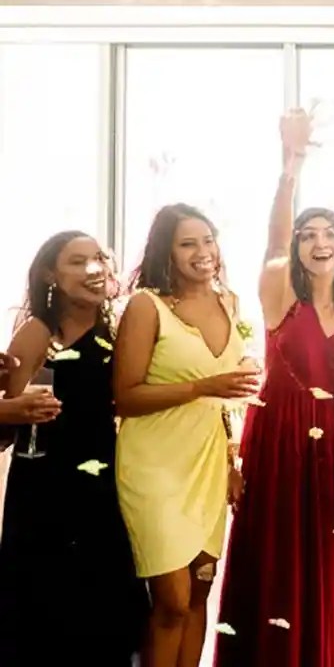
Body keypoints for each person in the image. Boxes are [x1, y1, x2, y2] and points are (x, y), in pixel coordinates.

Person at [214, 109, 334, 667]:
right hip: (275, 452)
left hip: (331, 459)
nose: (317, 241)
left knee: (327, 580)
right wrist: (292, 166)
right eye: (309, 234)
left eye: (329, 233)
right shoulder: (281, 298)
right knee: (269, 576)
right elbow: (275, 237)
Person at [114, 204, 257, 667]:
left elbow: (227, 399)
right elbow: (125, 397)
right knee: (172, 598)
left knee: (199, 591)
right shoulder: (147, 306)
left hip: (208, 462)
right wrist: (202, 387)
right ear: (166, 252)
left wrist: (233, 462)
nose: (202, 252)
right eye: (187, 243)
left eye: (208, 240)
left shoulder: (228, 303)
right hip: (154, 463)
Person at [0, 231, 148, 665]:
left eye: (100, 258)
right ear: (50, 274)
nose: (94, 269)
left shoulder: (120, 330)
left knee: (105, 609)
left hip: (104, 488)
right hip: (42, 491)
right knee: (43, 611)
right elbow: (5, 428)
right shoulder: (37, 332)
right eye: (78, 261)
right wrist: (15, 409)